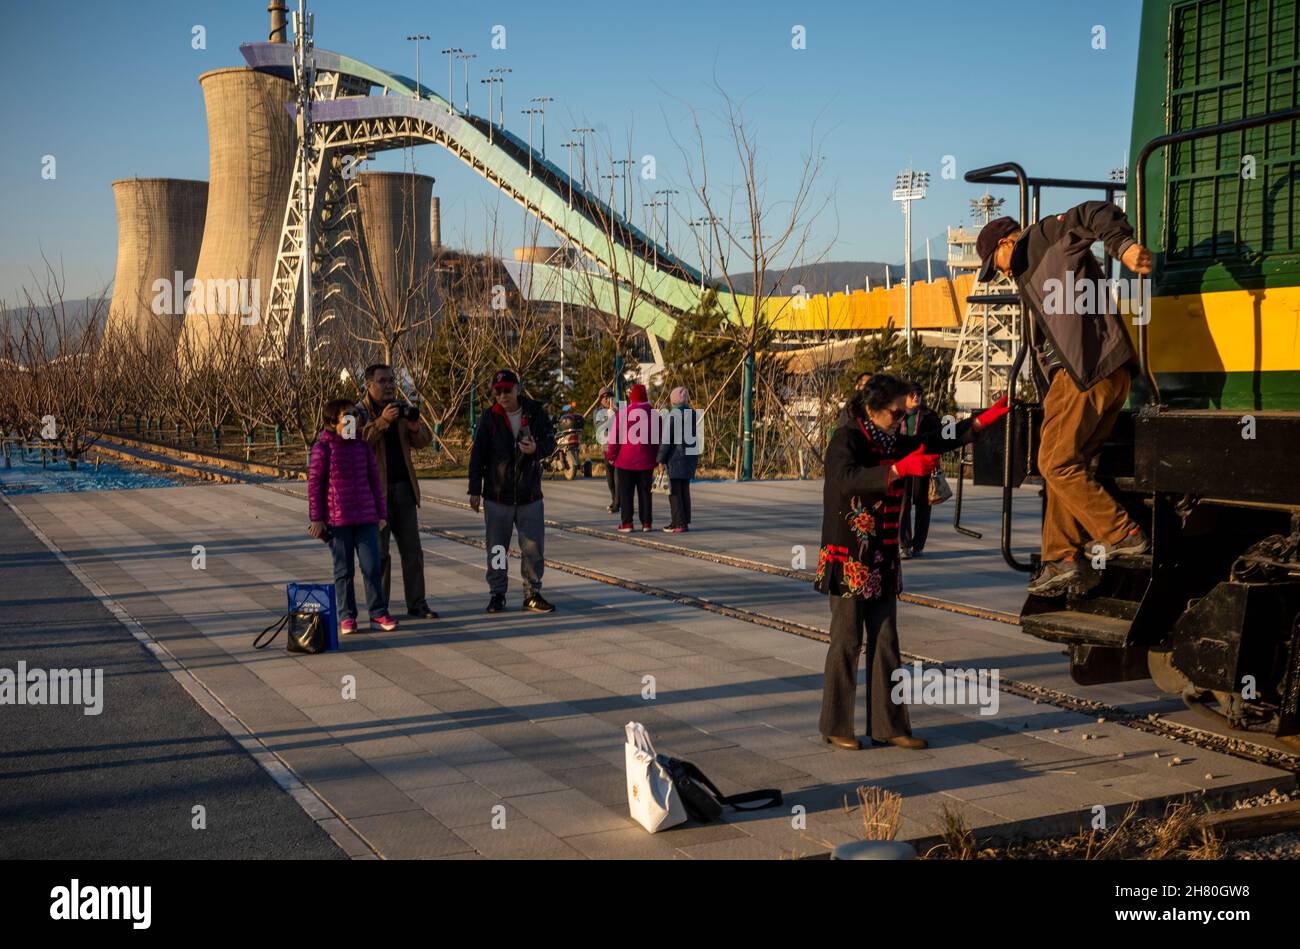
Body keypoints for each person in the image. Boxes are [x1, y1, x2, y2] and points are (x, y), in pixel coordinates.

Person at [816, 374, 1007, 750]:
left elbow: (931, 440)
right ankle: (836, 725)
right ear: (872, 408)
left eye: (903, 415)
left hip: (882, 556)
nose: (900, 421)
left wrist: (978, 423)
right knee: (847, 639)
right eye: (894, 414)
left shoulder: (891, 438)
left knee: (887, 640)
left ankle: (889, 726)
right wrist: (897, 471)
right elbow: (845, 479)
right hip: (849, 557)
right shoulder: (847, 437)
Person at [975, 203, 1153, 597]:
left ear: (1007, 241)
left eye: (996, 262)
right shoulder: (1028, 274)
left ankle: (1122, 533)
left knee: (1053, 462)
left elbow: (1093, 212)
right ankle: (1062, 559)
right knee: (1064, 467)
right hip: (1094, 376)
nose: (1001, 273)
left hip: (1085, 372)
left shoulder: (1041, 240)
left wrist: (1121, 245)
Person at [467, 369, 557, 613]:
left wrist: (536, 449)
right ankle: (497, 593)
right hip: (498, 496)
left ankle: (532, 592)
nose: (503, 396)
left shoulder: (535, 413)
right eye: (498, 392)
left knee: (533, 547)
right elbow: (478, 455)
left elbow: (551, 443)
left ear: (517, 389)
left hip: (529, 494)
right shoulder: (490, 417)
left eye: (507, 390)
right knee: (497, 548)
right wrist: (474, 489)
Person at [308, 399, 399, 634]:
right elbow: (315, 487)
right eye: (346, 416)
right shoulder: (323, 449)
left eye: (355, 415)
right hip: (338, 521)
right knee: (343, 570)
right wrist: (317, 519)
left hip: (366, 518)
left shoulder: (362, 447)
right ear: (332, 422)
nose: (353, 419)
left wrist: (381, 513)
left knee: (372, 567)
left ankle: (378, 612)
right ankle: (347, 616)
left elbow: (374, 482)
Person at [356, 364, 438, 620]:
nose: (390, 385)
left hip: (404, 489)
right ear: (368, 385)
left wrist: (414, 427)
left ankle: (417, 603)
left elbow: (424, 441)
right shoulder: (356, 412)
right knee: (380, 554)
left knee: (412, 551)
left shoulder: (401, 409)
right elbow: (351, 444)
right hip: (374, 494)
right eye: (383, 381)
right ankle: (379, 608)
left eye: (392, 380)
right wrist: (381, 422)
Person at [606, 383, 659, 532]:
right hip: (647, 461)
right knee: (645, 492)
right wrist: (657, 458)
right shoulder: (654, 414)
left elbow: (615, 438)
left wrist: (611, 456)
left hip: (625, 461)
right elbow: (659, 438)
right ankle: (646, 523)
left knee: (626, 493)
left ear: (631, 397)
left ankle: (627, 523)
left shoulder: (623, 414)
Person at [899, 383, 941, 559]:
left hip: (924, 465)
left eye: (919, 393)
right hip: (903, 465)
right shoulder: (897, 415)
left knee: (924, 505)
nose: (916, 397)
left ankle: (919, 545)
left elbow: (943, 437)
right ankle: (904, 544)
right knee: (903, 504)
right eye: (912, 394)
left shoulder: (930, 416)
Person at [656, 386, 699, 533]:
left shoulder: (673, 415)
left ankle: (678, 523)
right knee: (684, 490)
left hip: (676, 458)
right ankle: (683, 520)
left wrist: (661, 459)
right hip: (690, 458)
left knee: (674, 492)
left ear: (674, 400)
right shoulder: (693, 414)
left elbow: (667, 440)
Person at [594, 386, 619, 513]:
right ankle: (614, 498)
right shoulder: (598, 412)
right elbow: (600, 428)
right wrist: (609, 416)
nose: (607, 399)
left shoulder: (619, 409)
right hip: (607, 448)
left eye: (610, 397)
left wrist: (616, 413)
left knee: (617, 477)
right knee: (610, 479)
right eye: (605, 397)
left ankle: (617, 502)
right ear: (600, 400)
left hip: (619, 449)